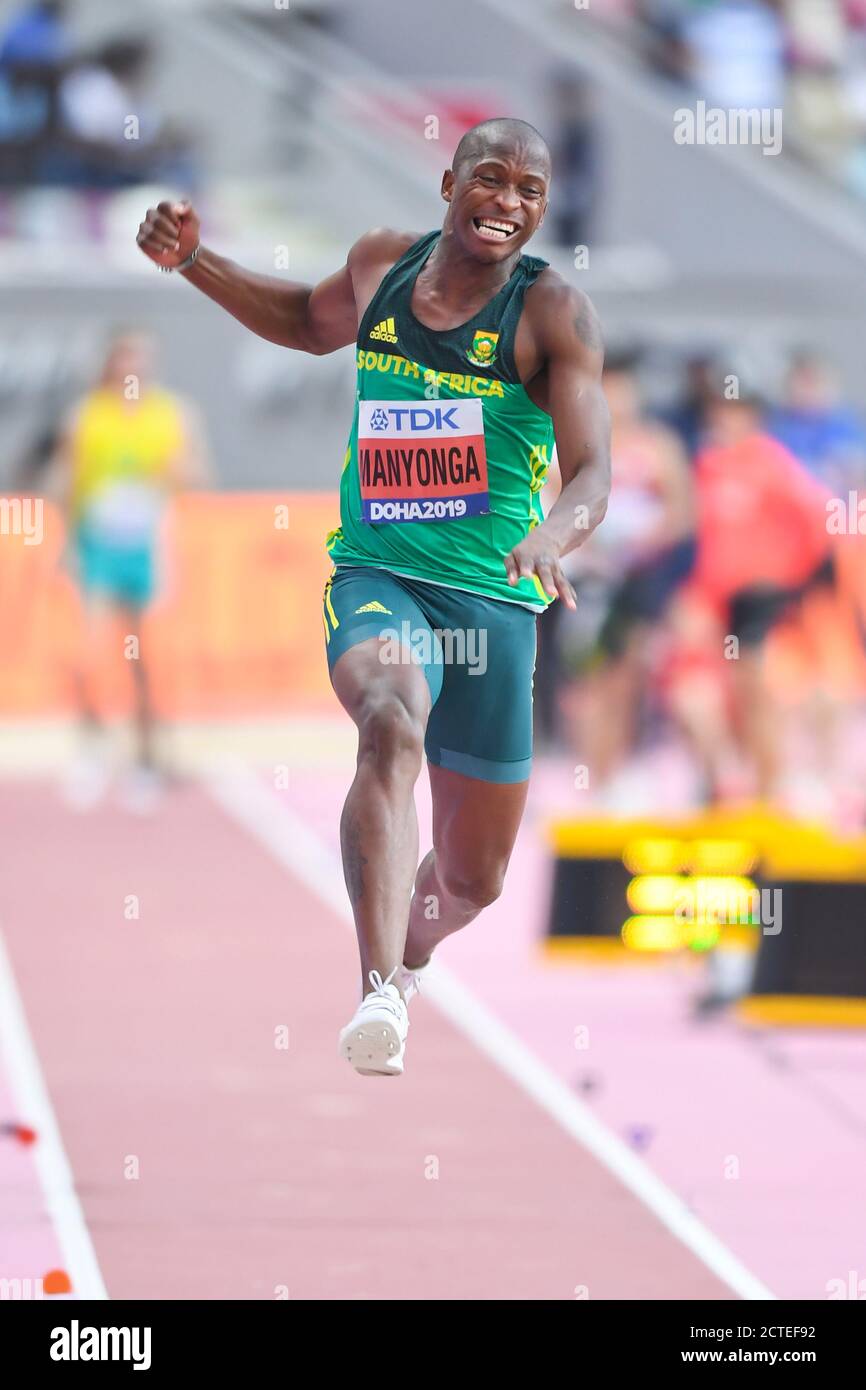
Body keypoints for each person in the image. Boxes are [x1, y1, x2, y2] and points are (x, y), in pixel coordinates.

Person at [136, 117, 611, 1077]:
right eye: (491, 179)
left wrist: (551, 534)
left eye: (529, 191)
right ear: (448, 180)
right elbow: (306, 326)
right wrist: (197, 263)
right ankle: (378, 992)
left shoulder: (551, 309)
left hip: (495, 601)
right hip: (378, 574)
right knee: (389, 719)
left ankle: (413, 953)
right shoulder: (383, 268)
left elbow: (596, 468)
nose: (506, 204)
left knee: (473, 880)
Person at [55, 330, 208, 811]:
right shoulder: (87, 415)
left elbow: (196, 477)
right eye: (125, 359)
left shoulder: (171, 415)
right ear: (111, 363)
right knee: (89, 651)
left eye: (141, 360)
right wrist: (66, 541)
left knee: (142, 658)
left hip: (144, 546)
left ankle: (145, 760)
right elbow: (66, 478)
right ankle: (93, 748)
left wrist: (176, 471)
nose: (133, 370)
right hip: (97, 544)